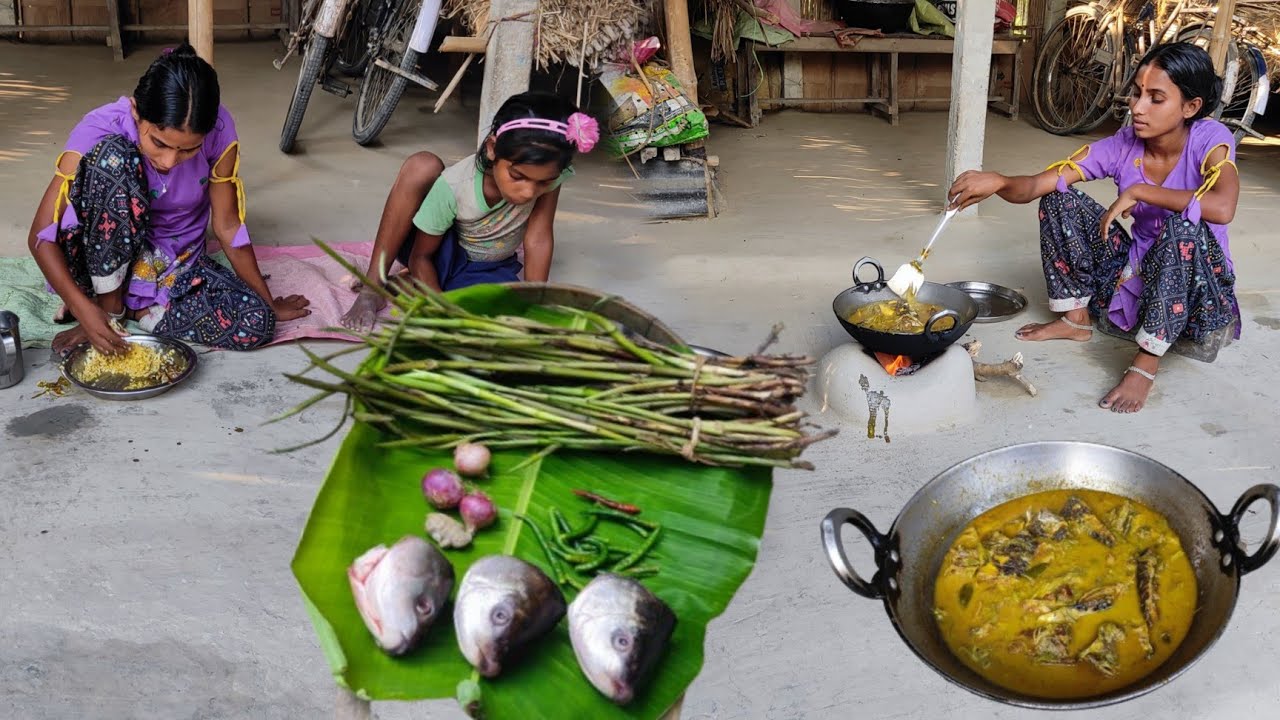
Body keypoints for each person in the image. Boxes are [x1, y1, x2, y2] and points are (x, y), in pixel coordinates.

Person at [948, 42, 1240, 414]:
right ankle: (1075, 318)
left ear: (1191, 107)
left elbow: (1223, 207)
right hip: (1140, 274)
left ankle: (1146, 363)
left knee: (1182, 227)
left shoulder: (1211, 140)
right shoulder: (1124, 144)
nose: (1137, 107)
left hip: (1199, 291)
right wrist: (1000, 182)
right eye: (1137, 92)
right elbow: (1041, 183)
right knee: (1059, 197)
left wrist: (1141, 190)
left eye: (1155, 98)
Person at [27, 44, 310, 356]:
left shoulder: (219, 130)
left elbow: (228, 226)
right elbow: (40, 236)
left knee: (256, 323)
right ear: (136, 112)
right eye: (159, 143)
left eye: (188, 149)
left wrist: (267, 304)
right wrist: (83, 308)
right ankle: (108, 308)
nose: (170, 160)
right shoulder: (99, 128)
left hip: (172, 266)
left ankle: (136, 310)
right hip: (98, 264)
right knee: (112, 159)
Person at [340, 91, 598, 331]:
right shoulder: (454, 187)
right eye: (518, 176)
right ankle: (374, 287)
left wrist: (535, 304)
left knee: (494, 312)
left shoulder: (550, 176)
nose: (529, 192)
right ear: (492, 148)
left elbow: (538, 238)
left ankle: (411, 285)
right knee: (422, 165)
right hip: (442, 250)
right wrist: (439, 308)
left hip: (486, 266)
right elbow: (422, 256)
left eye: (542, 182)